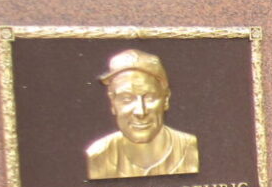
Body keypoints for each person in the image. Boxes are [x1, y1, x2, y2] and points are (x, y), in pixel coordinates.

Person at [86, 49, 200, 179]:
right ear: (112, 103)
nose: (140, 111)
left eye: (150, 97)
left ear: (166, 99)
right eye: (126, 99)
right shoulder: (98, 156)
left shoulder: (188, 148)